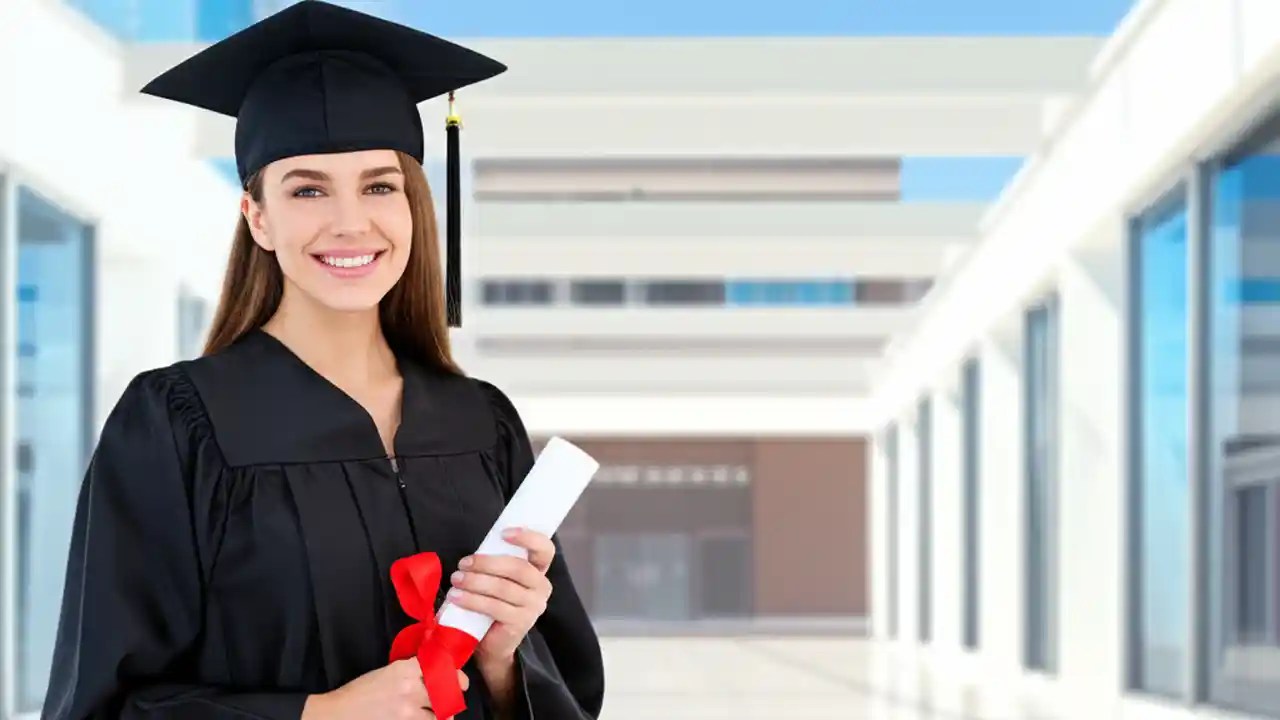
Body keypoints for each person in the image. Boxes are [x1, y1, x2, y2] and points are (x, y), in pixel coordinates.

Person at [39, 2, 605, 718]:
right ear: (259, 217)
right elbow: (101, 706)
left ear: (412, 207)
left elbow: (571, 693)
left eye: (379, 185)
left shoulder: (479, 422)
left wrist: (501, 662)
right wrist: (318, 713)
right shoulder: (177, 424)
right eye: (308, 188)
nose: (349, 221)